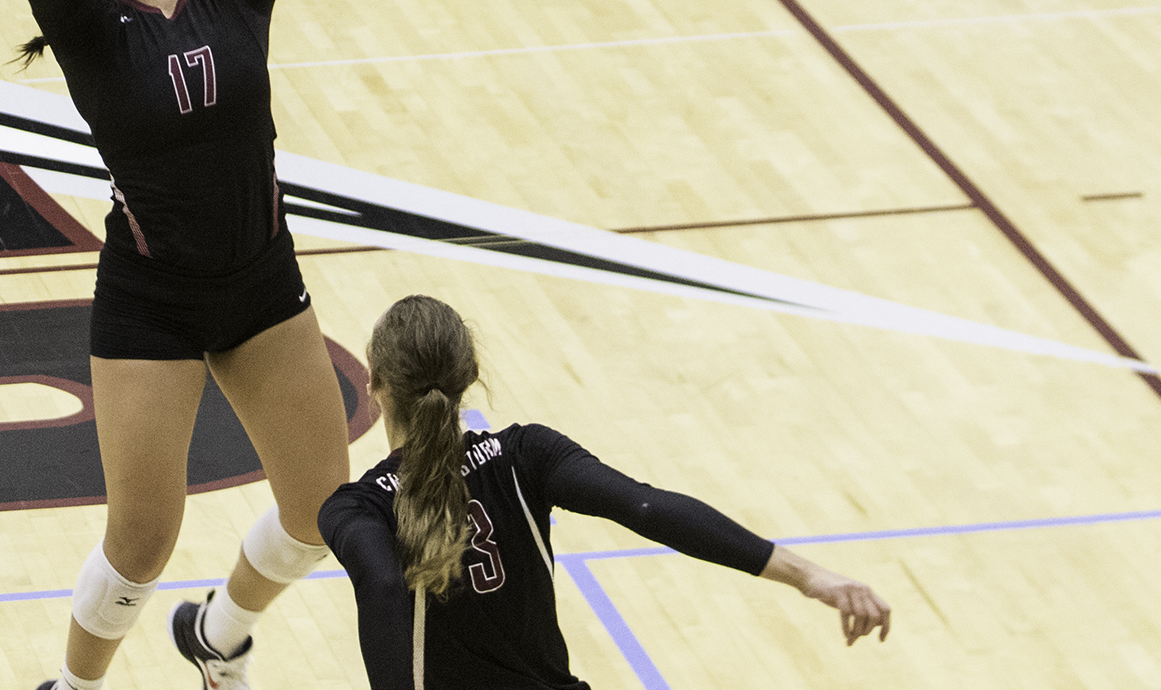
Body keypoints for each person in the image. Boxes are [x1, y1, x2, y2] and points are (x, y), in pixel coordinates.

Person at [17, 0, 349, 690]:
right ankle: (74, 687)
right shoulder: (88, 31)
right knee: (142, 540)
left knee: (319, 507)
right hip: (151, 302)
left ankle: (219, 633)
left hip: (260, 285)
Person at [319, 295, 892, 689]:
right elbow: (647, 507)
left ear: (374, 385)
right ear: (471, 370)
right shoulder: (526, 455)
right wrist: (810, 577)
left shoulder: (358, 508)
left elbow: (384, 588)